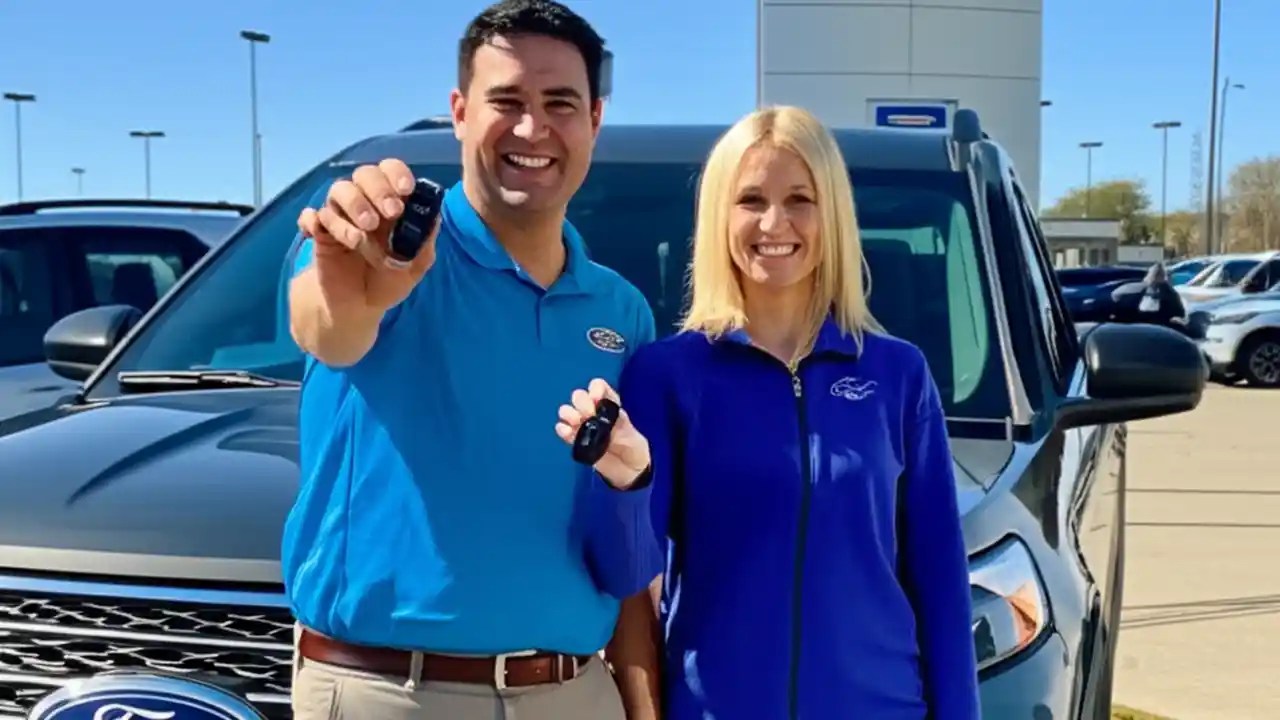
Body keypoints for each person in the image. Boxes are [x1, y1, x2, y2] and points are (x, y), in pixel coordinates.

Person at [283, 2, 664, 718]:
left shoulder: (622, 313)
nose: (532, 128)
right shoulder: (386, 240)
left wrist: (640, 701)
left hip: (574, 692)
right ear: (459, 112)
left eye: (560, 103)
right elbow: (331, 329)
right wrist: (359, 281)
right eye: (506, 102)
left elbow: (625, 539)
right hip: (389, 693)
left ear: (594, 120)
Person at [614, 105, 982, 719]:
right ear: (718, 217)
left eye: (800, 199)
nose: (774, 222)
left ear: (831, 213)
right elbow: (627, 571)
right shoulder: (666, 377)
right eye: (751, 199)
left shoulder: (898, 375)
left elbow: (940, 579)